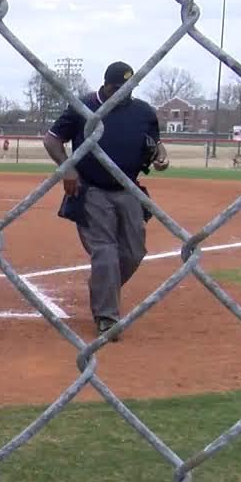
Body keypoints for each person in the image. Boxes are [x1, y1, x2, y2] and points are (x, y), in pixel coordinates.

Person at [43, 61, 168, 342]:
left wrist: (161, 156)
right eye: (119, 88)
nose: (124, 93)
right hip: (92, 190)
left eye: (129, 88)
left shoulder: (143, 112)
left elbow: (155, 143)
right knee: (106, 253)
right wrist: (68, 167)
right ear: (106, 85)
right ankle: (107, 317)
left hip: (129, 190)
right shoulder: (83, 107)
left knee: (134, 252)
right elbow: (52, 140)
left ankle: (103, 285)